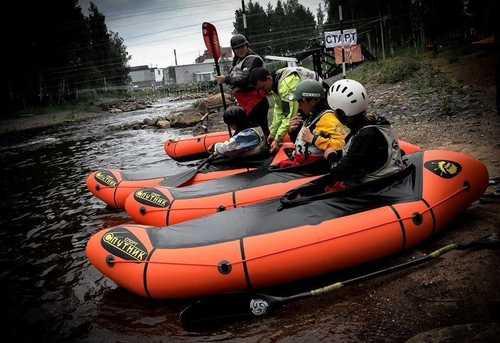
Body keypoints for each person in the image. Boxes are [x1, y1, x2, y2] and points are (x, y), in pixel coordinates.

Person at [323, 79, 407, 188]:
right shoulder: (376, 122)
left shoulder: (365, 135)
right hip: (390, 176)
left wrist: (331, 156)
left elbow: (340, 173)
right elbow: (358, 155)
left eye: (334, 111)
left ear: (340, 113)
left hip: (380, 187)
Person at [275, 79, 347, 169]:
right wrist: (293, 131)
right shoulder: (311, 115)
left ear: (313, 101)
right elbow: (304, 144)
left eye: (300, 102)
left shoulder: (327, 118)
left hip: (314, 170)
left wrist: (314, 139)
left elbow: (341, 145)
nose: (299, 106)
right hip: (302, 164)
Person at [249, 66, 321, 153]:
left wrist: (278, 139)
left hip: (319, 100)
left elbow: (291, 114)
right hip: (306, 100)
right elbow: (279, 111)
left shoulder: (286, 85)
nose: (263, 91)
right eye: (260, 89)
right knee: (292, 124)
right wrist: (273, 134)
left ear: (268, 78)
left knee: (294, 126)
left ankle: (308, 151)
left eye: (263, 87)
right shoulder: (275, 83)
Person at [215, 34, 269, 138]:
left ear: (247, 46)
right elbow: (234, 80)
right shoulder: (238, 62)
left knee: (254, 128)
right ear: (234, 50)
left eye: (242, 47)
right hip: (246, 102)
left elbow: (244, 79)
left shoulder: (253, 59)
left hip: (257, 102)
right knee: (250, 128)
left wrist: (225, 79)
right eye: (237, 48)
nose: (240, 50)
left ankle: (266, 146)